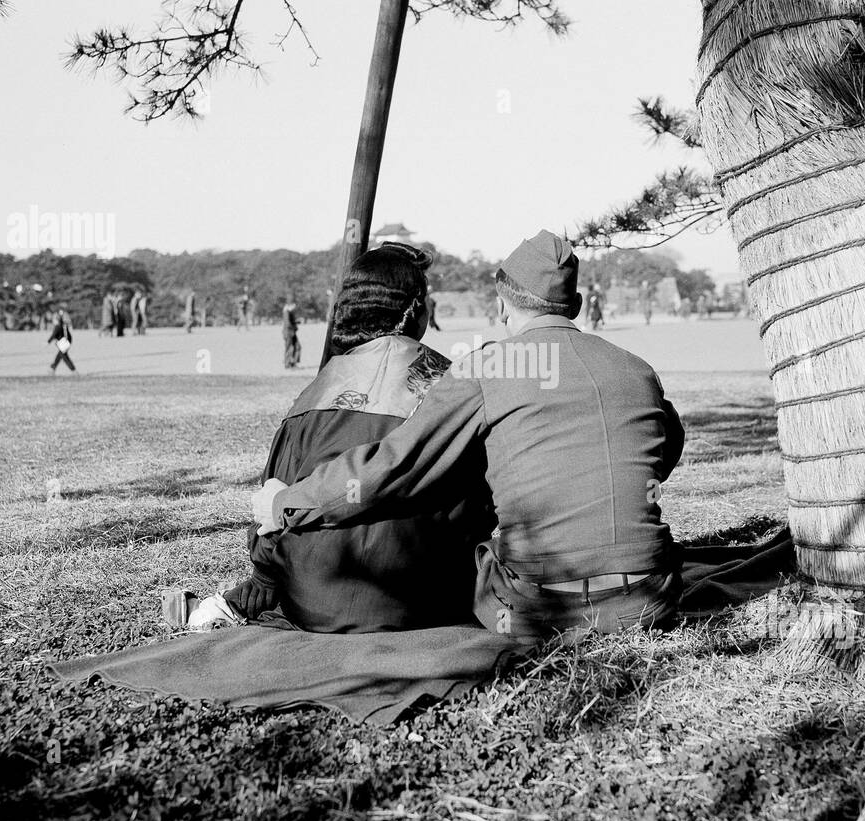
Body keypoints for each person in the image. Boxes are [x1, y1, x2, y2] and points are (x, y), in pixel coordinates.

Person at [253, 230, 686, 643]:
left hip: (534, 612)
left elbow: (393, 466)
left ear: (503, 306)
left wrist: (285, 503)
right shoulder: (636, 368)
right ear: (574, 304)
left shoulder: (491, 366)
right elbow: (662, 451)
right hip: (654, 599)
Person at [173, 242, 493, 633]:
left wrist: (262, 585)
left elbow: (271, 511)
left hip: (310, 599)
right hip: (418, 599)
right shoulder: (450, 382)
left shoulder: (316, 392)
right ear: (413, 309)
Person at [48, 309, 76, 373]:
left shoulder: (58, 326)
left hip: (65, 342)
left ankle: (73, 370)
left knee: (64, 356)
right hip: (66, 341)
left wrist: (48, 342)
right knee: (60, 355)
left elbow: (54, 335)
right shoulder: (62, 324)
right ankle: (53, 368)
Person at [281, 299, 300, 369]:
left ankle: (293, 363)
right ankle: (288, 364)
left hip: (291, 332)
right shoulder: (286, 312)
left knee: (297, 347)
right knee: (289, 348)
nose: (294, 308)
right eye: (293, 306)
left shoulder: (289, 312)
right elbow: (287, 324)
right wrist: (294, 325)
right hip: (289, 333)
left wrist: (295, 323)